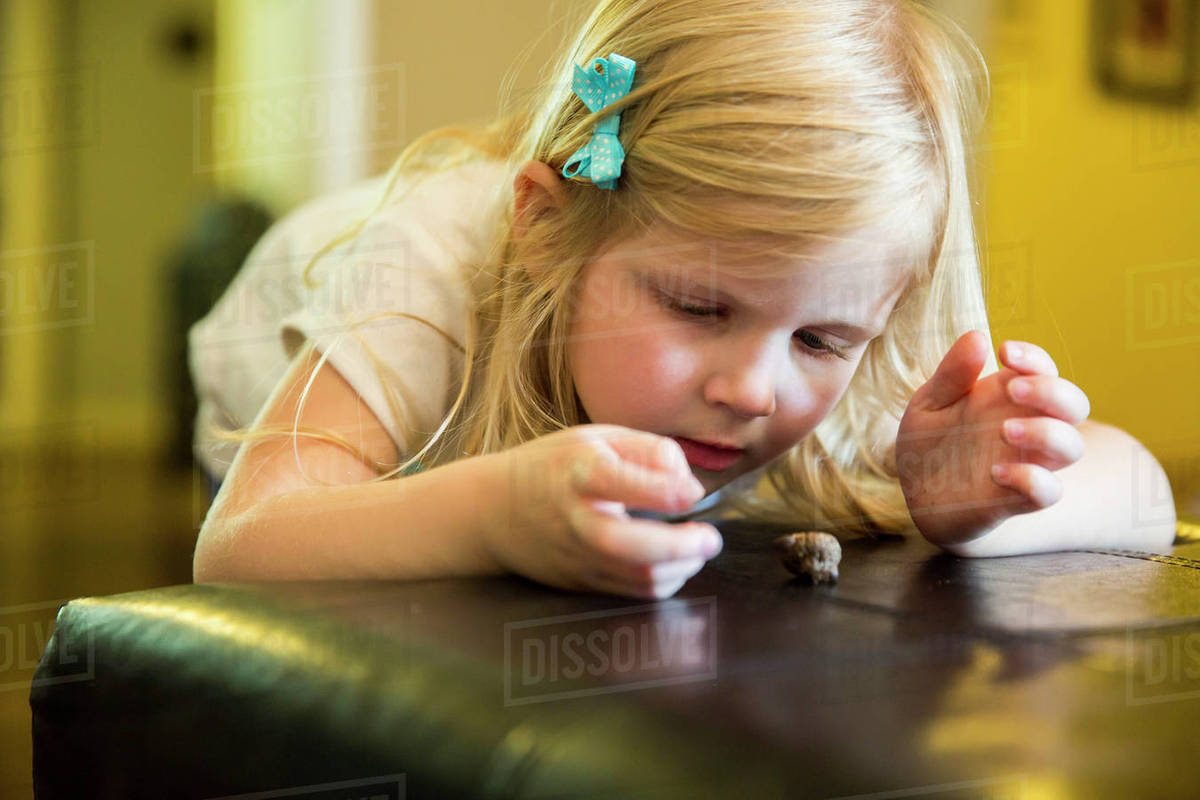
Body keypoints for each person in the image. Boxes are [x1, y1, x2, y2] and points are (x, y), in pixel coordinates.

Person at [190, 0, 1176, 597]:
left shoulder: (826, 345)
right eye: (701, 309)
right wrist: (493, 514)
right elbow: (243, 544)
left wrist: (987, 503)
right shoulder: (426, 271)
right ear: (547, 229)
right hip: (272, 385)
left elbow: (1146, 493)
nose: (755, 388)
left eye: (822, 339)